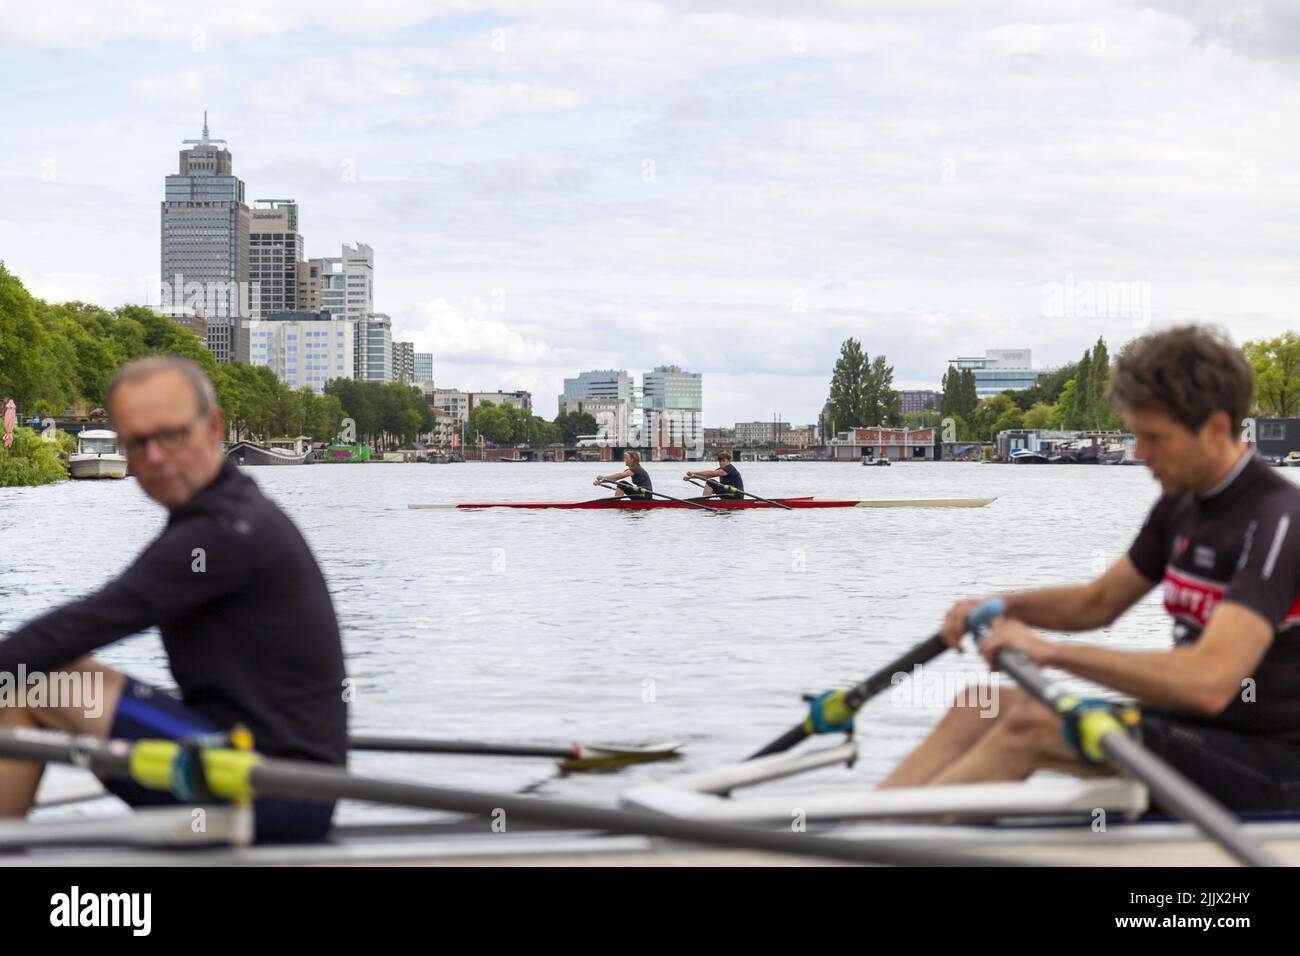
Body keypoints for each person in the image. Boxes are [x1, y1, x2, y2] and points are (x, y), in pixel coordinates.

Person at [880, 325, 1300, 813]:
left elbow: (1207, 683)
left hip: (1273, 765)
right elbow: (1097, 602)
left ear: (1214, 428)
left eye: (1154, 437)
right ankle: (855, 843)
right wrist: (997, 606)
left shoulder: (1279, 521)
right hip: (1191, 732)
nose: (1139, 453)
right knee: (980, 705)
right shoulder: (1182, 502)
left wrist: (1048, 652)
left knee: (1030, 729)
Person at [0, 356, 347, 842]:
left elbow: (86, 623)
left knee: (39, 681)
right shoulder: (224, 513)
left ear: (213, 428)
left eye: (172, 435)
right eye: (139, 443)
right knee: (36, 675)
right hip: (253, 768)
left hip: (274, 794)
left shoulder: (224, 532)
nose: (156, 456)